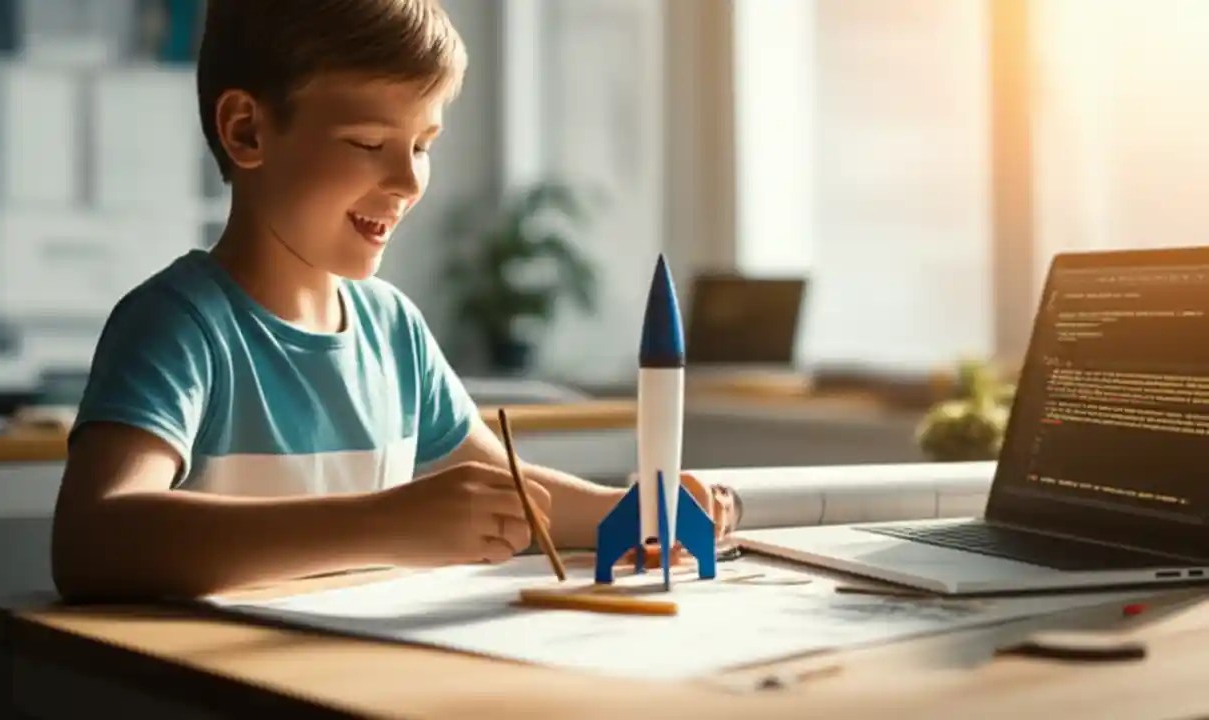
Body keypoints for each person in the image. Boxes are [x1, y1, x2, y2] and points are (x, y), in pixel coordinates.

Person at [50, 0, 737, 602]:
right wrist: (382, 523)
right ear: (246, 132)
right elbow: (92, 540)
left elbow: (516, 499)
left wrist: (636, 511)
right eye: (370, 142)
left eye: (422, 144)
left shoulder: (393, 328)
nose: (408, 180)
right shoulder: (182, 326)